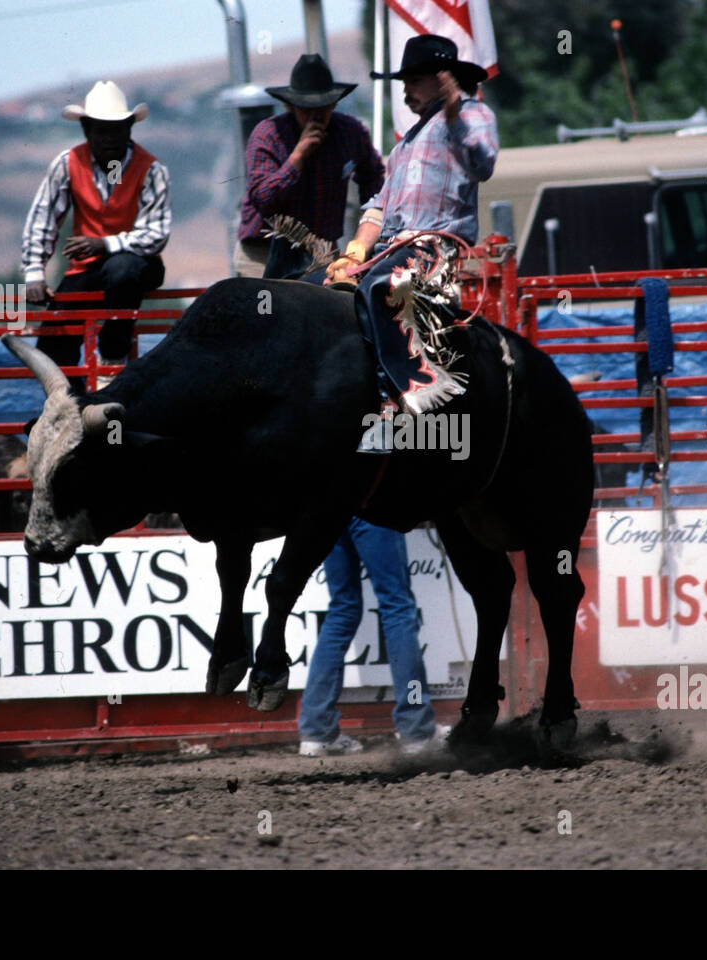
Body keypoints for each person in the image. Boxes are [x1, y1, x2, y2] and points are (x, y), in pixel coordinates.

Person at [325, 34, 497, 446]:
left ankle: (404, 396)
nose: (404, 91)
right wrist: (354, 252)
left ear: (441, 80)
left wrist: (454, 116)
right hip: (391, 249)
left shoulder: (474, 115)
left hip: (435, 249)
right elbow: (378, 207)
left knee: (386, 287)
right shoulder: (404, 146)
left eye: (413, 80)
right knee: (324, 291)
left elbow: (483, 163)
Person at [21, 81, 171, 380]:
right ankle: (71, 405)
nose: (110, 138)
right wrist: (34, 271)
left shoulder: (151, 169)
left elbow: (157, 233)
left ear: (129, 130)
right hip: (87, 271)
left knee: (123, 269)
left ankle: (111, 359)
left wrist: (105, 244)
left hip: (137, 265)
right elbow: (43, 216)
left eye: (117, 129)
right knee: (54, 340)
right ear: (87, 131)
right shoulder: (68, 163)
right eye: (101, 130)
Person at [298, 518, 445, 757]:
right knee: (398, 608)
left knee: (342, 608)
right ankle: (416, 727)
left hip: (330, 507)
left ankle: (317, 730)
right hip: (372, 508)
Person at [235, 53, 385, 279]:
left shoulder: (350, 132)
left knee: (325, 309)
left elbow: (373, 179)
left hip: (320, 251)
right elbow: (262, 199)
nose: (316, 116)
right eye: (307, 109)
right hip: (263, 254)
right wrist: (297, 158)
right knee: (265, 312)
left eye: (323, 107)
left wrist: (366, 231)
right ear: (290, 106)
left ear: (333, 103)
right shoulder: (268, 135)